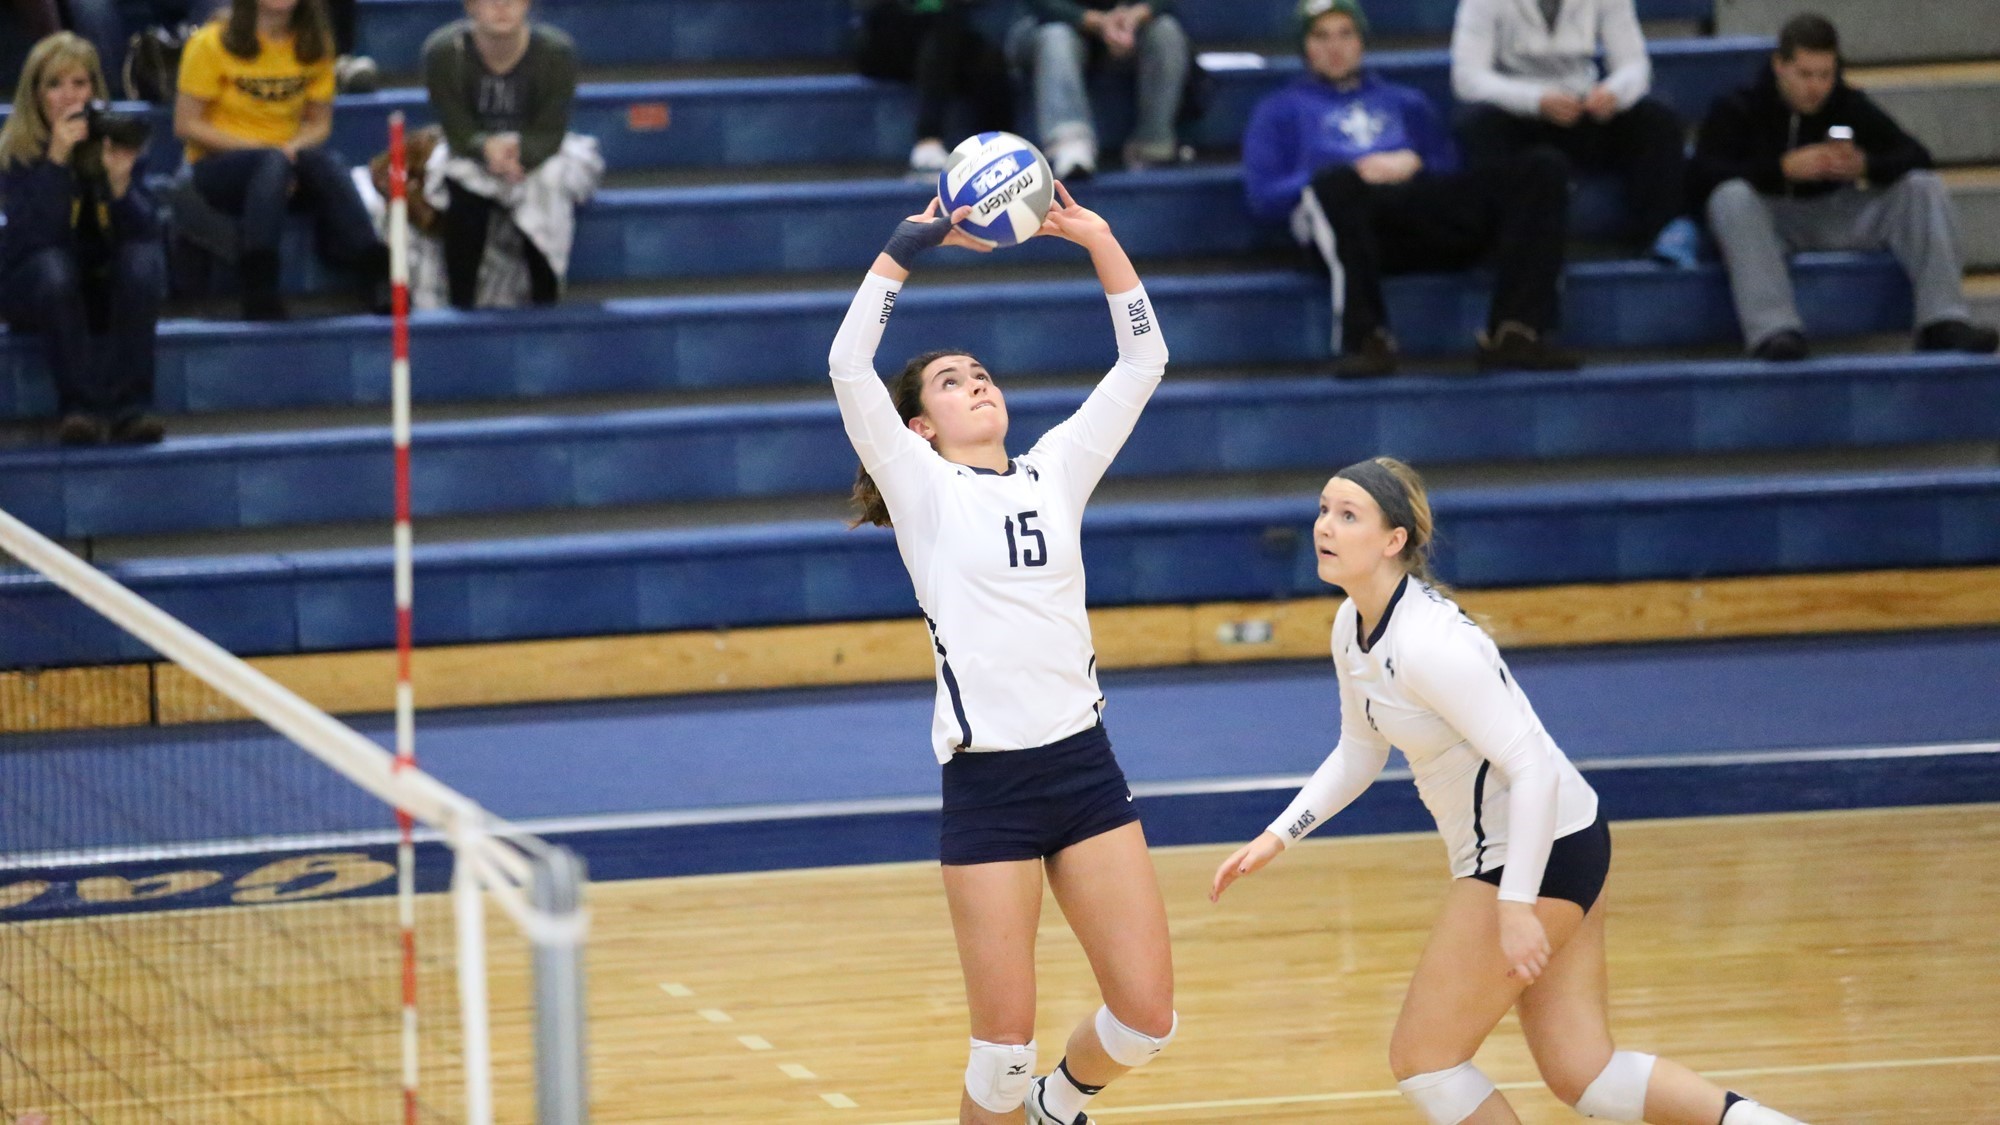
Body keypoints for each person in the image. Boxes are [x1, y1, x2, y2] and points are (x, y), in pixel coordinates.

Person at [1210, 457, 1818, 1125]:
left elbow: (1529, 767)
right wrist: (1278, 835)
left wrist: (1516, 904)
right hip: (1563, 839)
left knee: (1426, 1058)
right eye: (1324, 508)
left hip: (1537, 850)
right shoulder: (1351, 626)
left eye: (1347, 514)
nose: (1325, 526)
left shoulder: (1432, 644)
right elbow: (1361, 749)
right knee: (1591, 1077)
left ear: (1394, 540)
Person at [828, 185, 1176, 1125]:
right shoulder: (923, 491)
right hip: (991, 788)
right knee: (1000, 1060)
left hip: (1085, 767)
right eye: (951, 381)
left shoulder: (1058, 468)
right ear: (920, 428)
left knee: (1146, 1020)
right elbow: (846, 361)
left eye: (981, 371)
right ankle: (1026, 1102)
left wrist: (1099, 237)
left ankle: (1062, 1108)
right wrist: (903, 249)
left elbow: (1145, 356)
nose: (976, 382)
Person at [1243, 0, 1578, 377]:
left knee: (1542, 168)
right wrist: (1351, 172)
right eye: (1321, 37)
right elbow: (1263, 198)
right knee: (1335, 185)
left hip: (1421, 213)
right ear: (1304, 47)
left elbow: (1450, 169)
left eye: (1345, 34)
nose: (1334, 47)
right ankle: (1367, 339)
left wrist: (1416, 163)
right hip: (1352, 227)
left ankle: (1518, 332)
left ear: (1361, 42)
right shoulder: (1278, 110)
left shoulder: (1406, 101)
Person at [1689, 12, 1997, 361]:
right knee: (1731, 199)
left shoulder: (1847, 104)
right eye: (1805, 75)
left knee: (1922, 187)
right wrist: (1781, 170)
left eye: (1825, 75)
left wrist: (1865, 165)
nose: (1816, 87)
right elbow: (1703, 176)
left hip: (1838, 212)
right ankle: (1773, 331)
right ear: (1780, 65)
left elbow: (1917, 156)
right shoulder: (1739, 107)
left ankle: (1943, 320)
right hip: (1770, 220)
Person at [173, 0, 388, 320]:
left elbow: (319, 123)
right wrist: (265, 150)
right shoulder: (209, 42)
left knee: (323, 163)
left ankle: (376, 273)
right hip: (218, 167)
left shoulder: (314, 44)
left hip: (284, 161)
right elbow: (187, 124)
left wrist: (290, 149)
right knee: (270, 163)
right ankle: (258, 287)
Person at [0, 31, 166, 445]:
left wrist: (122, 186)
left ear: (95, 88)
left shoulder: (116, 137)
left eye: (80, 83)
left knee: (142, 260)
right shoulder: (16, 151)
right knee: (53, 268)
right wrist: (56, 162)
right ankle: (79, 407)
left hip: (98, 279)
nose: (69, 96)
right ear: (35, 94)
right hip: (37, 286)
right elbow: (27, 241)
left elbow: (148, 234)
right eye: (55, 85)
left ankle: (134, 408)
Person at [1450, 0, 1699, 267]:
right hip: (1518, 118)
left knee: (1656, 118)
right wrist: (1536, 100)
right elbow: (1467, 78)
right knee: (1477, 124)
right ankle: (1496, 244)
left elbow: (1634, 65)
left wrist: (1614, 92)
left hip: (1583, 109)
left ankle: (1661, 237)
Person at [421, 0, 595, 309]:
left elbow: (551, 129)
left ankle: (545, 301)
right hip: (475, 148)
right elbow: (456, 127)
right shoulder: (443, 52)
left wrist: (523, 155)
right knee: (461, 183)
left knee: (550, 181)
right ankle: (461, 304)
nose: (501, 6)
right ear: (470, 6)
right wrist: (483, 148)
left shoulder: (557, 53)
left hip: (535, 147)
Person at [1007, 0, 1188, 178]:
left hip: (1130, 26)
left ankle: (1153, 145)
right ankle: (1070, 145)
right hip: (1046, 23)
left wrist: (1136, 15)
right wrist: (1096, 21)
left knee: (1166, 31)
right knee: (1057, 36)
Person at [852, 0, 1015, 179]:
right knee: (944, 25)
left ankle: (999, 150)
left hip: (946, 40)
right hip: (887, 34)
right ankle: (927, 141)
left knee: (988, 58)